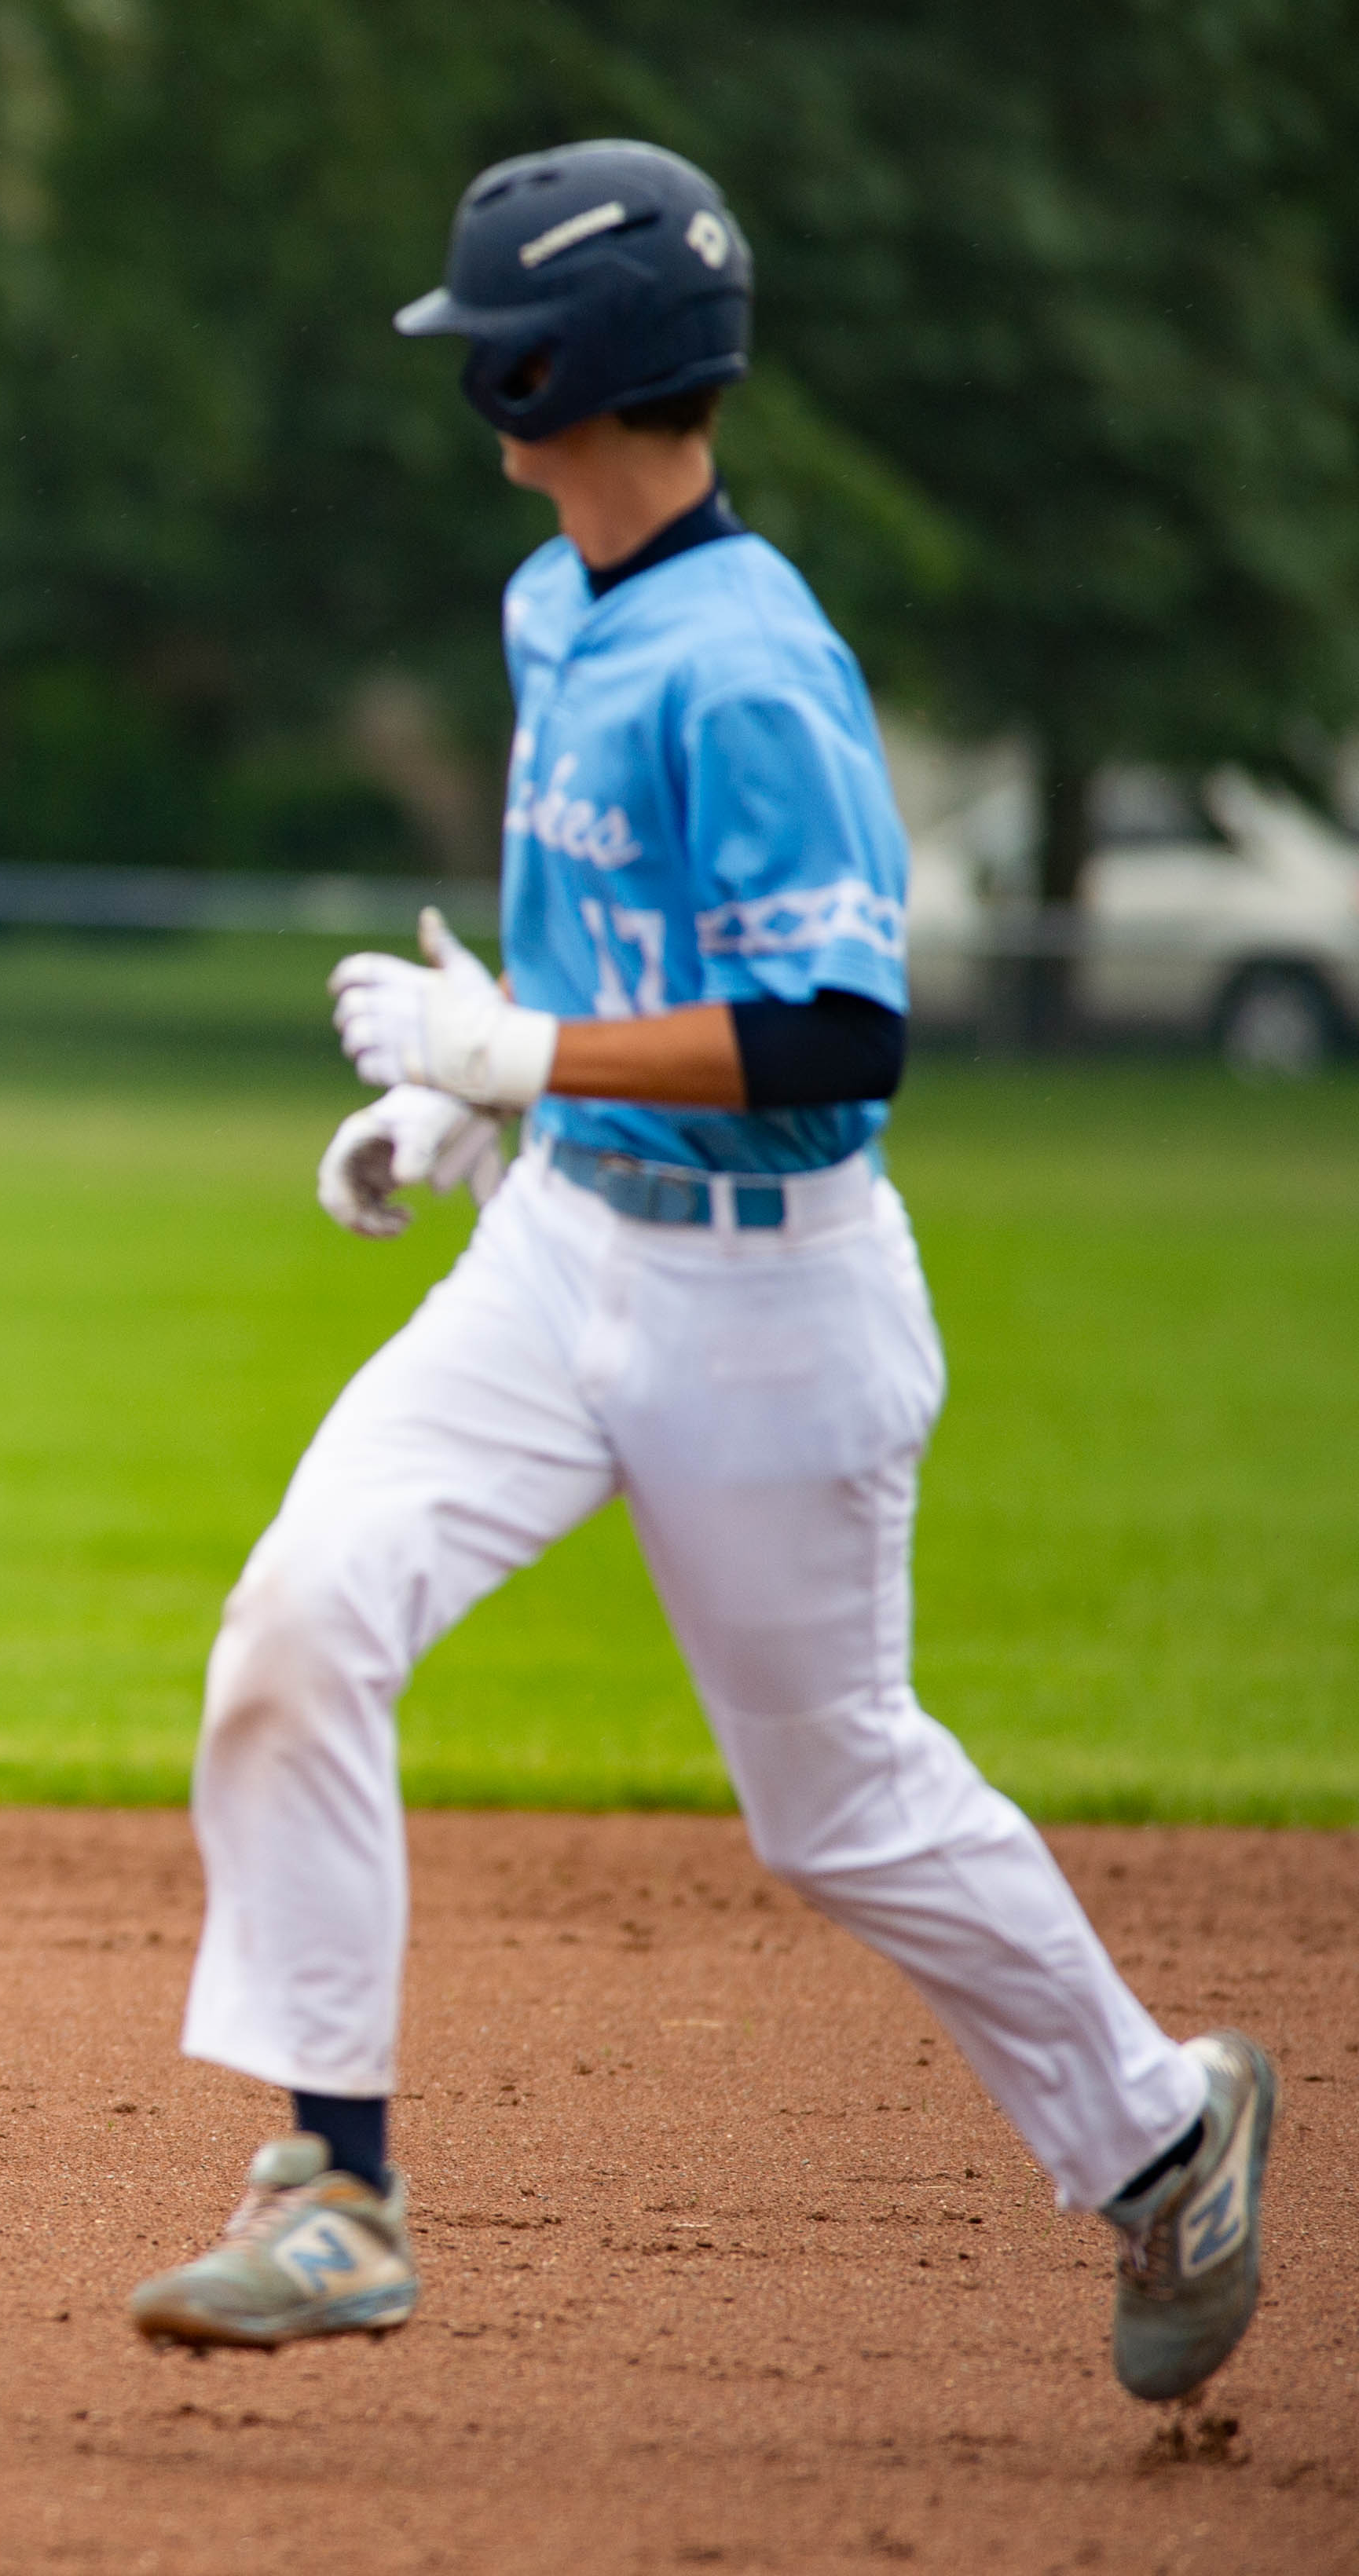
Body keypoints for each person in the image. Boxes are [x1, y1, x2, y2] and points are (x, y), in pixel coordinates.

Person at [121, 143, 1275, 2402]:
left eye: (494, 358)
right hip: (566, 1258)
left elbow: (848, 1034)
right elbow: (596, 932)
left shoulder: (755, 668)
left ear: (571, 371)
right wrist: (486, 1101)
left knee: (836, 1801)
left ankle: (1163, 2137)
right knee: (299, 1618)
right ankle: (337, 2186)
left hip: (778, 1306)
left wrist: (527, 1045)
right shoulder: (561, 602)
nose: (478, 394)